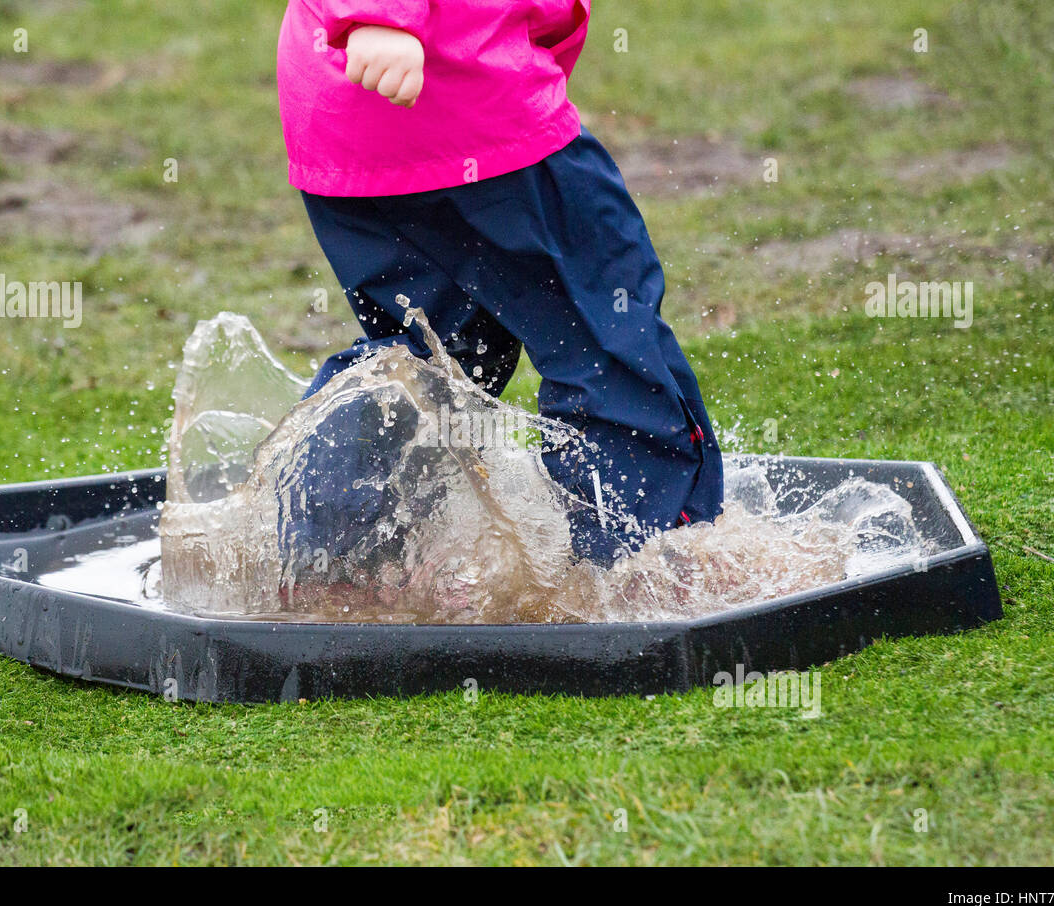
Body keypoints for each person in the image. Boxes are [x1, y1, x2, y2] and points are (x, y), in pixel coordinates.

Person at [276, 1, 723, 562]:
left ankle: (335, 563)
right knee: (601, 329)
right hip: (469, 107)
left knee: (434, 357)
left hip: (356, 121)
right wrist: (378, 15)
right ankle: (644, 562)